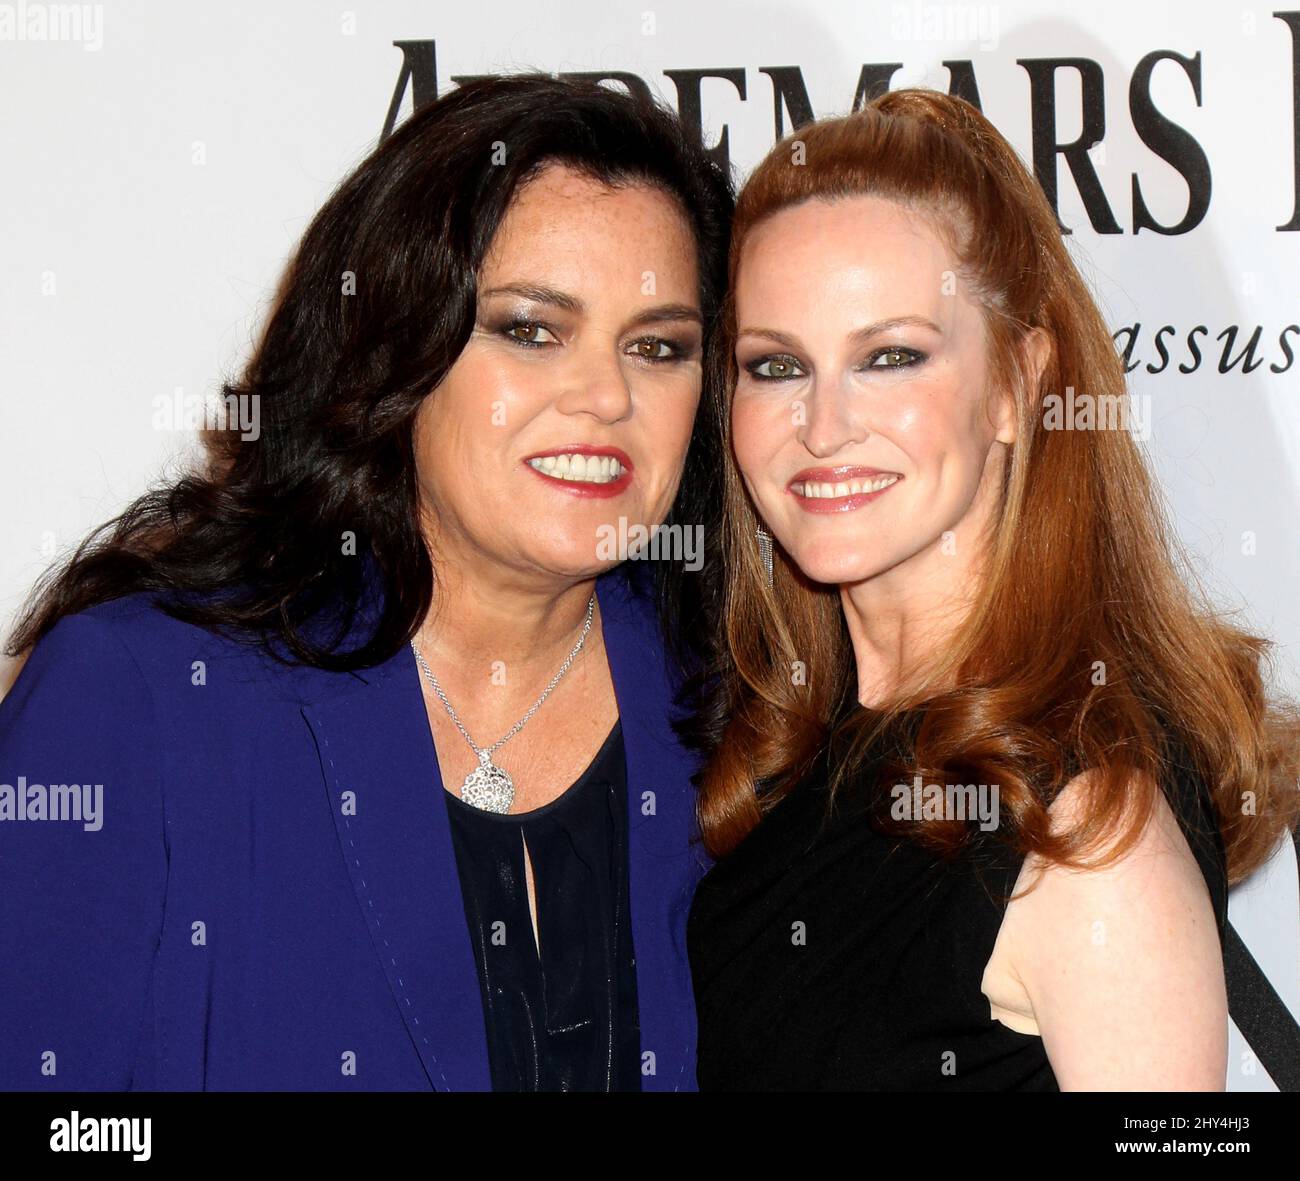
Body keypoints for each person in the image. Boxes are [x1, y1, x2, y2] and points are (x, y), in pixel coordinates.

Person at [0, 73, 733, 1092]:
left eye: (658, 346)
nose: (607, 396)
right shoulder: (141, 698)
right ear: (397, 344)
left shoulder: (752, 710)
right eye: (530, 329)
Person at [685, 89, 1300, 1091]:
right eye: (775, 364)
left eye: (890, 356)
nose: (823, 423)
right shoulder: (807, 745)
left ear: (1017, 383)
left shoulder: (1089, 829)